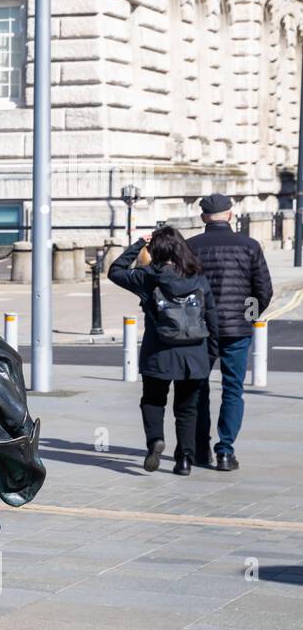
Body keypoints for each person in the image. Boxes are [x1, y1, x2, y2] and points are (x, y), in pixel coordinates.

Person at [108, 226, 220, 475]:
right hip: (194, 353)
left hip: (158, 353)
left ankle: (155, 441)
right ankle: (184, 461)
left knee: (153, 400)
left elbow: (115, 271)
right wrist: (211, 354)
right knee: (187, 409)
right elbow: (211, 317)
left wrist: (138, 243)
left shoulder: (147, 277)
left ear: (155, 249)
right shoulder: (197, 277)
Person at [187, 193, 273, 471]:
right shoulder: (249, 245)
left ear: (203, 218)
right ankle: (225, 451)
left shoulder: (190, 247)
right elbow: (263, 289)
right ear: (231, 215)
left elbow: (180, 288)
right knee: (232, 389)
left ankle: (200, 449)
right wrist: (248, 317)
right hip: (237, 329)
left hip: (199, 330)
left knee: (198, 389)